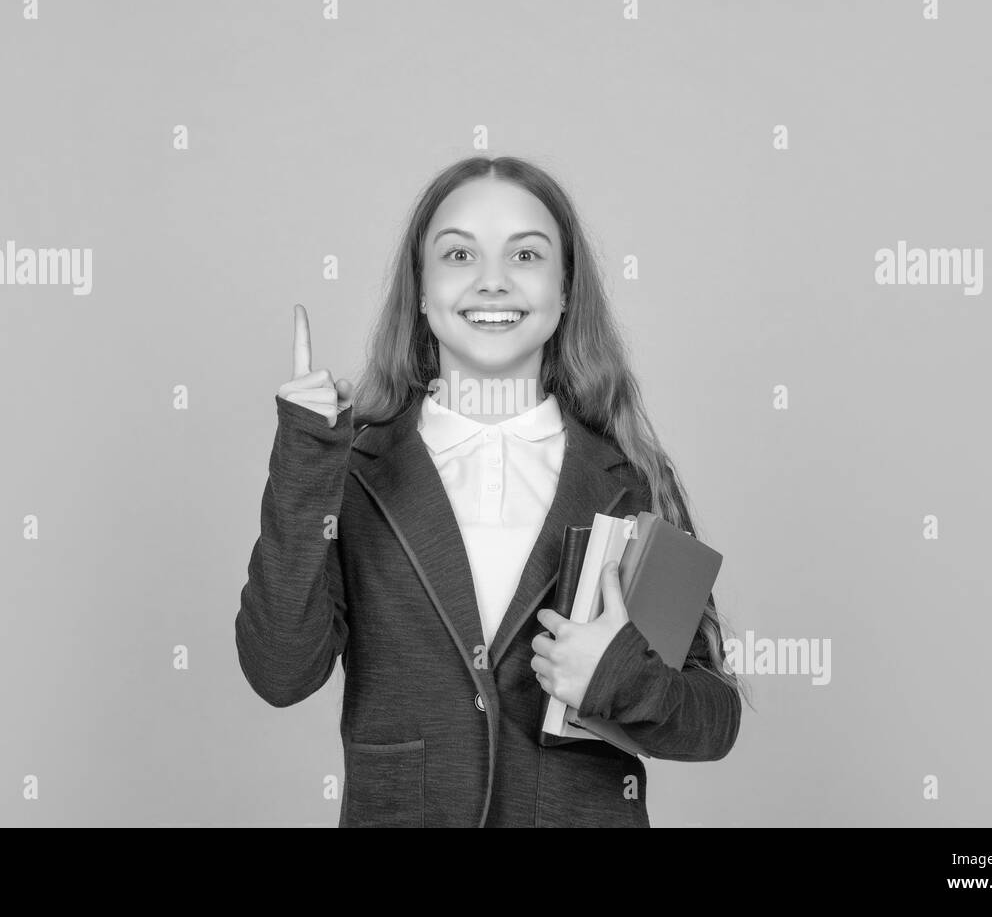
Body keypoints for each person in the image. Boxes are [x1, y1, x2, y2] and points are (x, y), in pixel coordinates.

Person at [236, 155, 744, 827]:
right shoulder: (352, 468)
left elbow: (714, 718)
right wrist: (304, 460)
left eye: (526, 254)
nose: (493, 281)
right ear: (420, 290)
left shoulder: (629, 480)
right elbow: (280, 671)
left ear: (565, 292)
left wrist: (625, 676)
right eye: (458, 254)